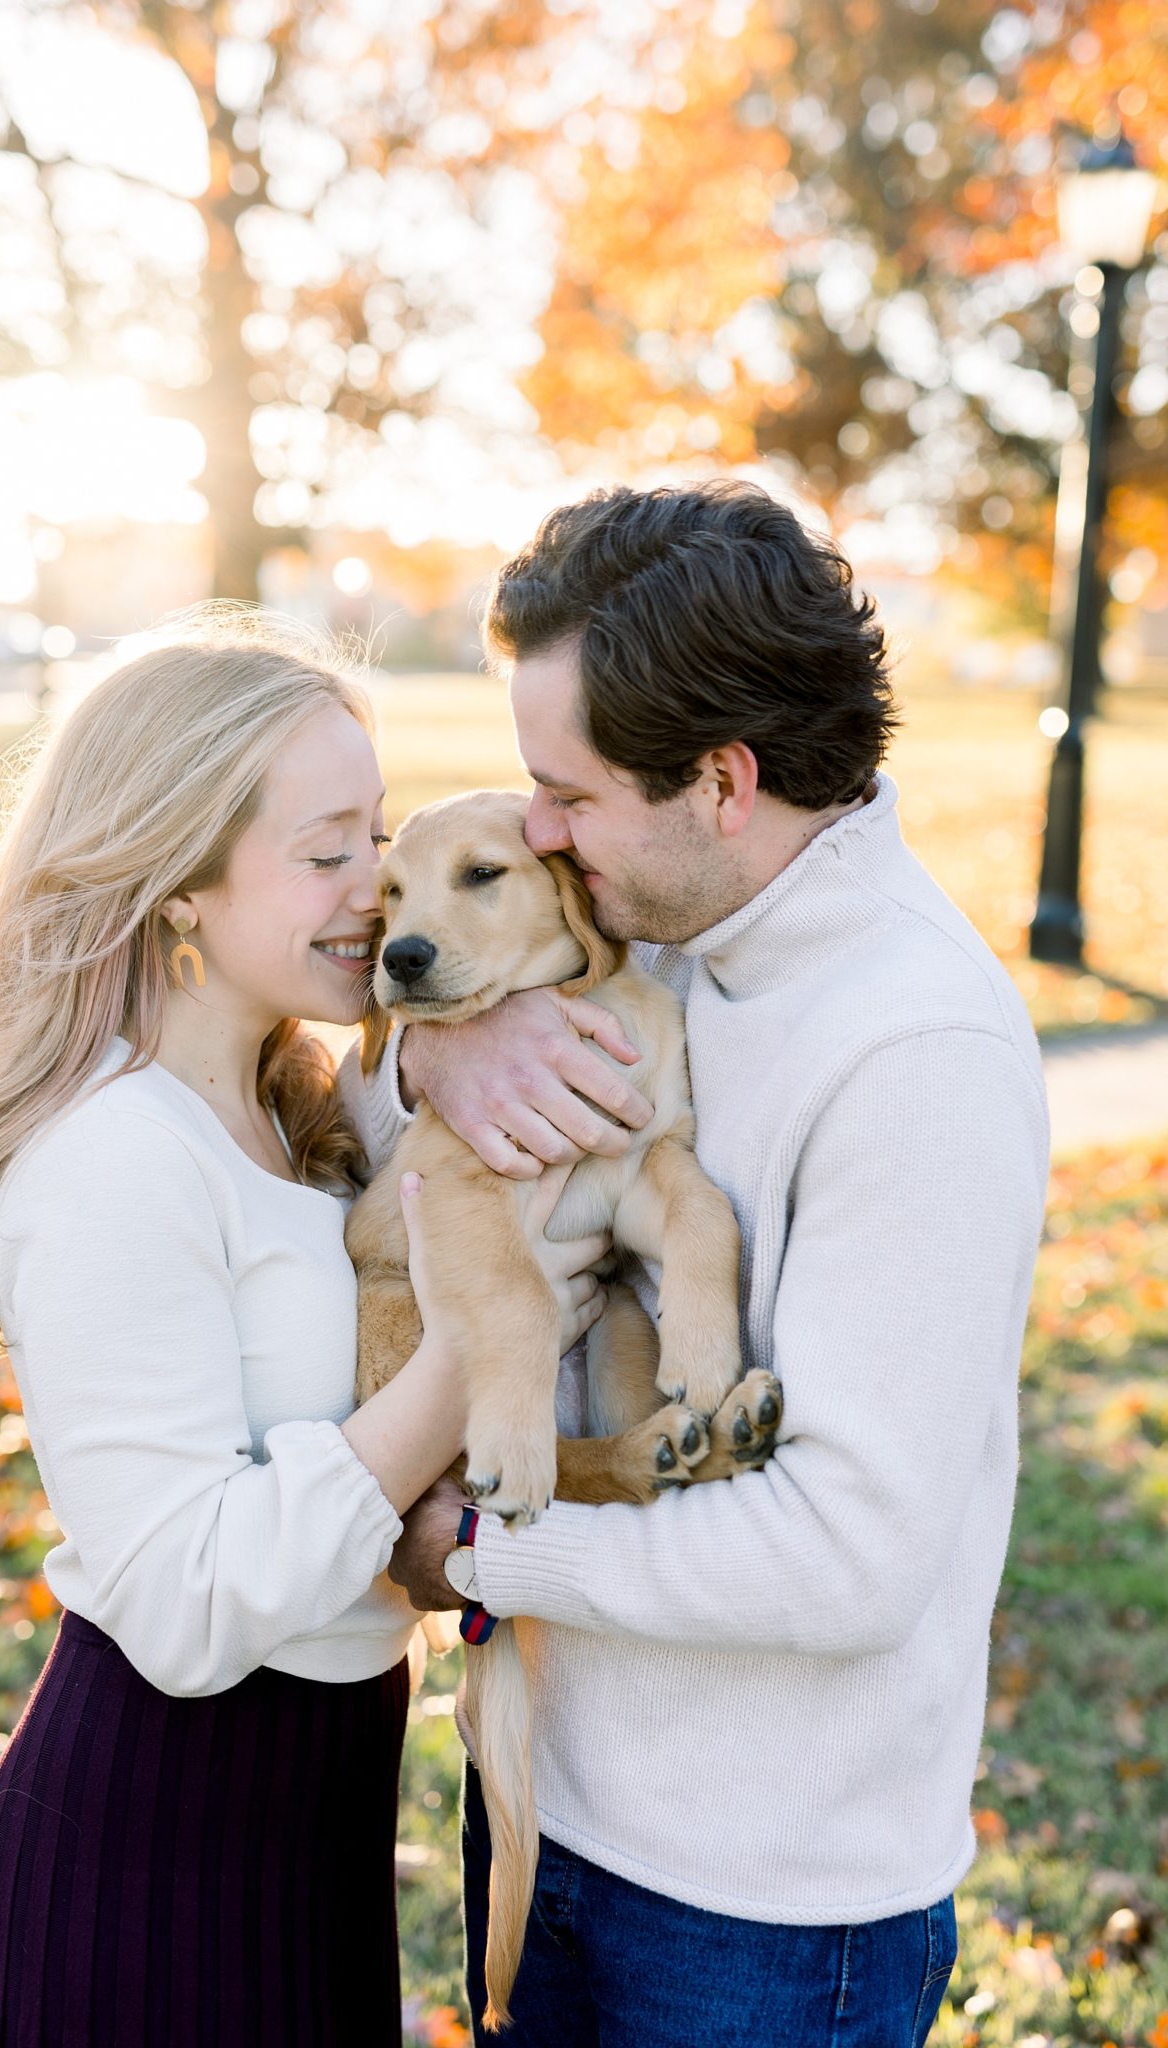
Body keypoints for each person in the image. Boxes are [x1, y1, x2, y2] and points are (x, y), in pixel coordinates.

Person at [343, 482, 1051, 2048]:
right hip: (555, 1808)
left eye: (566, 795)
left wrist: (467, 1553)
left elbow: (849, 1556)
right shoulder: (655, 915)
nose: (536, 831)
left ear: (720, 781)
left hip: (758, 1912)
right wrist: (438, 1063)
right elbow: (370, 1106)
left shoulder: (914, 1053)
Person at [0, 608, 610, 2048]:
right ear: (177, 886)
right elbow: (176, 1603)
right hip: (148, 1855)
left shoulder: (310, 1112)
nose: (377, 890)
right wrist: (479, 1346)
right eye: (328, 849)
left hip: (317, 1824)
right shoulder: (109, 1160)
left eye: (380, 833)